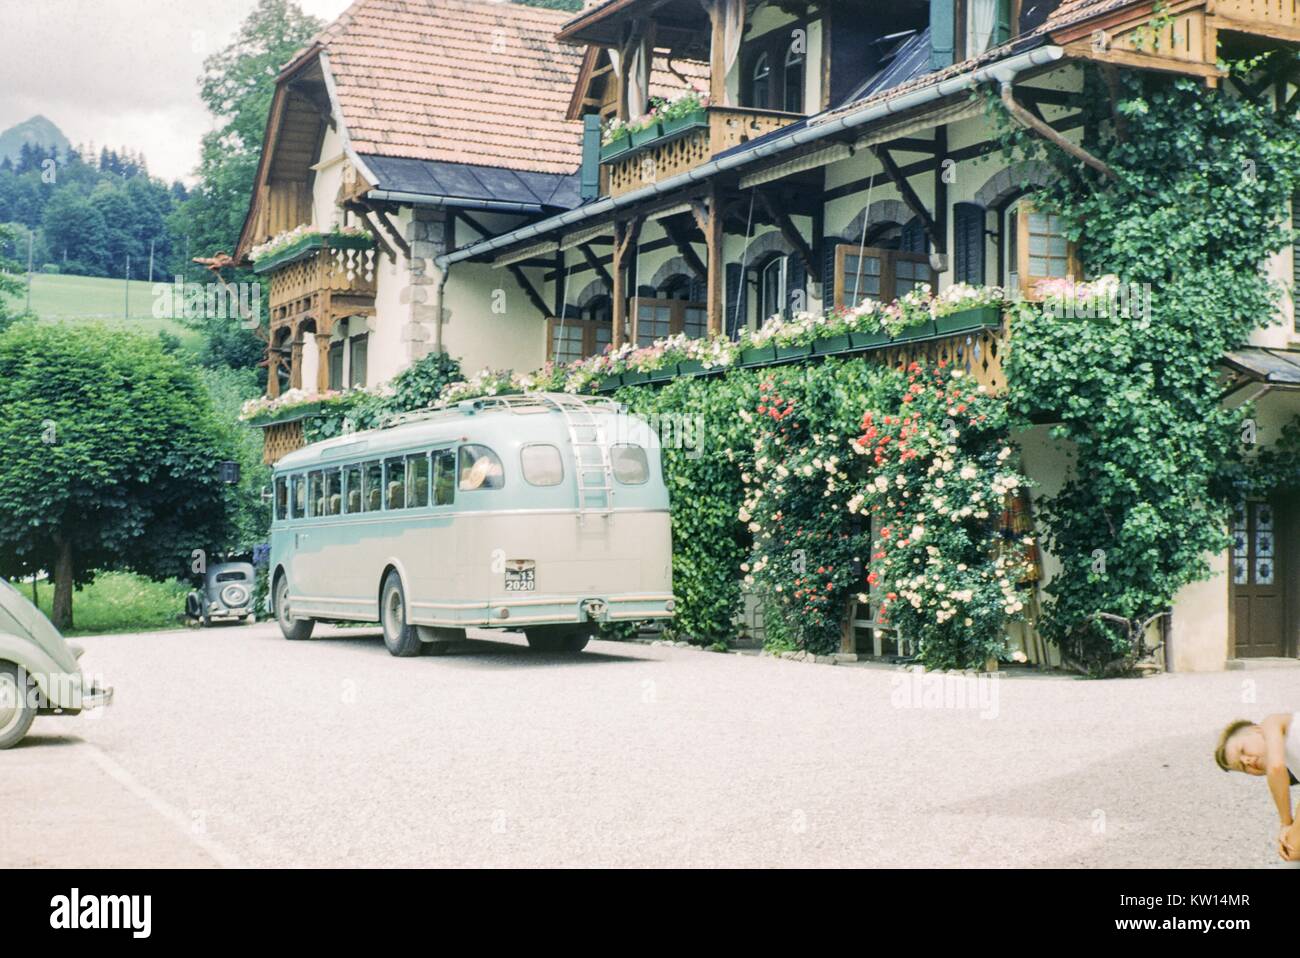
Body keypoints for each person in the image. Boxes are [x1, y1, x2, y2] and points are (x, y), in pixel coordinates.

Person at [1215, 713, 1300, 861]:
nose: (1246, 761)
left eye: (1242, 750)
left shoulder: (1271, 723)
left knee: (1293, 847)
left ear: (1256, 730)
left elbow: (1276, 768)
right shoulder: (1294, 768)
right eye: (1242, 767)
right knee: (1292, 849)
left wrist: (1286, 823)